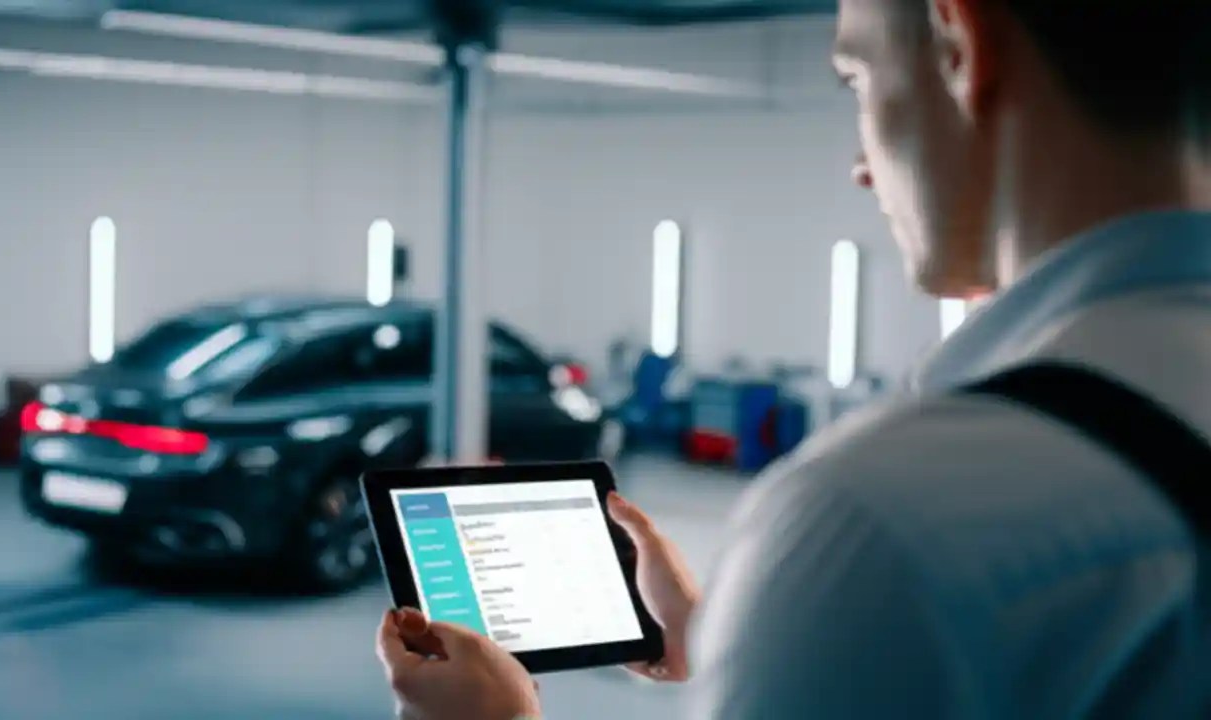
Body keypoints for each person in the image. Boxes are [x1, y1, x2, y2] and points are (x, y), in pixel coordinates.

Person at [375, 0, 1211, 716]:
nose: (859, 166)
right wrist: (733, 643)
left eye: (858, 81)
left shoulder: (884, 520)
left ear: (962, 44)